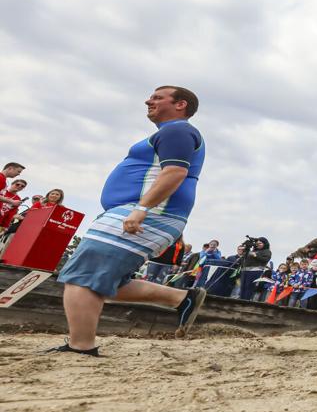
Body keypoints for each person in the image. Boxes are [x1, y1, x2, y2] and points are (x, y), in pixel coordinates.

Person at [51, 86, 211, 356]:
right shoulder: (170, 133)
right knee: (105, 280)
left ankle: (81, 347)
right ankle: (181, 299)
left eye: (158, 97)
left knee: (82, 276)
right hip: (147, 212)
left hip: (148, 212)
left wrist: (141, 209)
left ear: (180, 104)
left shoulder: (178, 130)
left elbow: (174, 173)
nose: (149, 100)